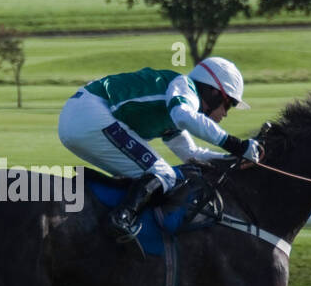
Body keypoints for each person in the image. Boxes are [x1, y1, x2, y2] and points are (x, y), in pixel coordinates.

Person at [58, 57, 261, 242]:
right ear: (215, 92)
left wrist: (232, 159)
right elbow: (185, 115)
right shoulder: (184, 87)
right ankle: (120, 219)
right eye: (228, 105)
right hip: (90, 113)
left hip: (79, 118)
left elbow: (191, 154)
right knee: (164, 173)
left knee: (148, 175)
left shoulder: (174, 108)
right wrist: (238, 145)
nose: (225, 114)